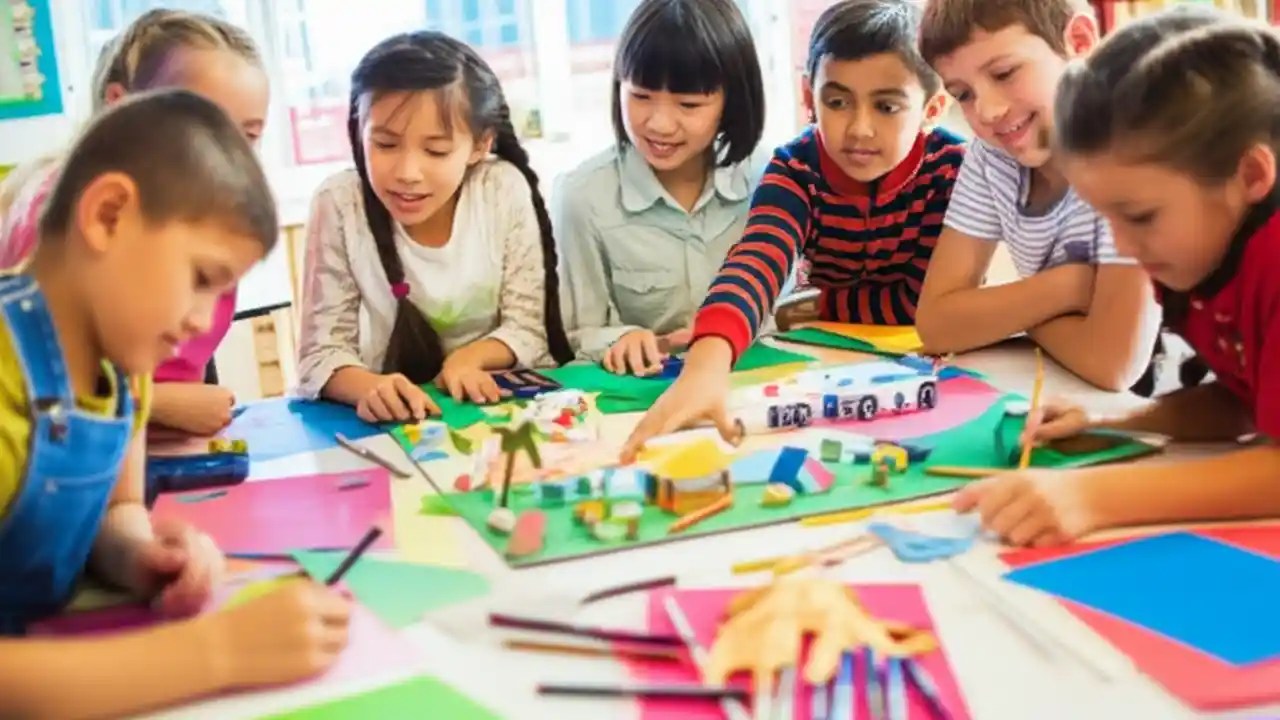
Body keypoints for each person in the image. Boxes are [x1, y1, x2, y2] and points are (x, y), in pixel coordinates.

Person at [0, 90, 350, 719]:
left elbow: (118, 509)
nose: (201, 321)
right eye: (200, 279)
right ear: (108, 214)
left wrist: (137, 554)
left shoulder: (124, 372)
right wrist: (217, 653)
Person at [954, 8, 1280, 546]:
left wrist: (1096, 497)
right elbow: (1245, 403)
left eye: (1141, 217)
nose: (1124, 246)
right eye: (1107, 218)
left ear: (1248, 176)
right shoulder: (1200, 252)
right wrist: (1114, 425)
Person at [622, 0, 965, 455]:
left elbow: (924, 305)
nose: (859, 128)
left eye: (886, 106)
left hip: (922, 367)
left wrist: (816, 303)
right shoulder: (796, 168)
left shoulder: (953, 170)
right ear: (808, 97)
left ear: (932, 108)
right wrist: (705, 366)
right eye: (837, 101)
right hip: (823, 362)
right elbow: (756, 261)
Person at [0, 8, 270, 436]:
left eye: (248, 135)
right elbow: (33, 375)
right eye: (202, 128)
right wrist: (162, 403)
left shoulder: (202, 212)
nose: (229, 158)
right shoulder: (58, 214)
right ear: (120, 106)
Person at [297, 32, 575, 423]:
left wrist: (469, 359)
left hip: (497, 411)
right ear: (359, 132)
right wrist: (368, 387)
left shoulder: (501, 189)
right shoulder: (340, 203)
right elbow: (320, 355)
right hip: (391, 422)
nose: (408, 173)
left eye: (436, 151)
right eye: (386, 144)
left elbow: (528, 330)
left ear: (480, 146)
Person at [913, 0, 1161, 392]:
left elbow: (1115, 362)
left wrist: (1009, 313)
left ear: (1079, 42)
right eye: (963, 94)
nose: (988, 111)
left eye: (1004, 72)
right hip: (1080, 392)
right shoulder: (992, 156)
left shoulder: (1135, 153)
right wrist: (1073, 287)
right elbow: (936, 324)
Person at [553, 0, 767, 375]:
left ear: (730, 102)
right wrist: (623, 339)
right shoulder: (582, 196)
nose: (660, 124)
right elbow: (574, 331)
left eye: (688, 104)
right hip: (649, 391)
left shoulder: (766, 178)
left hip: (760, 377)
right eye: (640, 96)